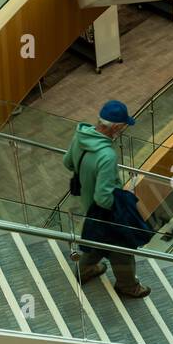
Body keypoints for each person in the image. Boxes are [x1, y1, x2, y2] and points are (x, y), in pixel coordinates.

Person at [63, 99, 151, 298]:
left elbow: (67, 162)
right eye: (123, 126)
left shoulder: (81, 136)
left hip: (88, 206)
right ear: (117, 127)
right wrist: (120, 211)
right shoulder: (107, 155)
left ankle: (84, 270)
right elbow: (103, 197)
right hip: (103, 209)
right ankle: (128, 287)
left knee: (98, 240)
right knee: (122, 248)